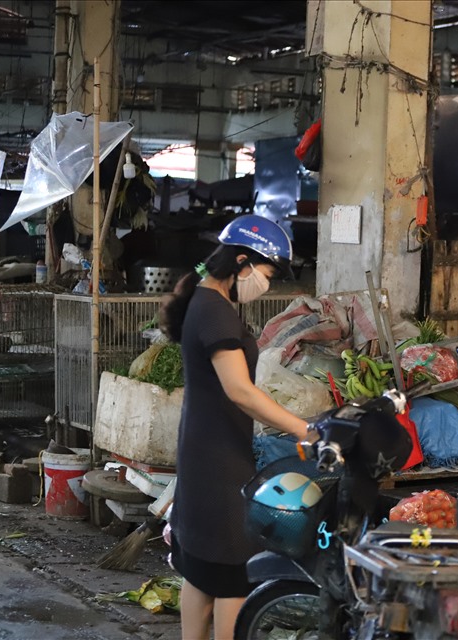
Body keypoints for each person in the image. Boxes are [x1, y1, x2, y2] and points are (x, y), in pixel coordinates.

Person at [159, 215, 315, 640]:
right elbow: (240, 392)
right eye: (266, 274)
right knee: (230, 573)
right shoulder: (215, 313)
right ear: (242, 261)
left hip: (202, 449)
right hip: (220, 460)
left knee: (199, 567)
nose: (266, 283)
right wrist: (304, 429)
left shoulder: (205, 303)